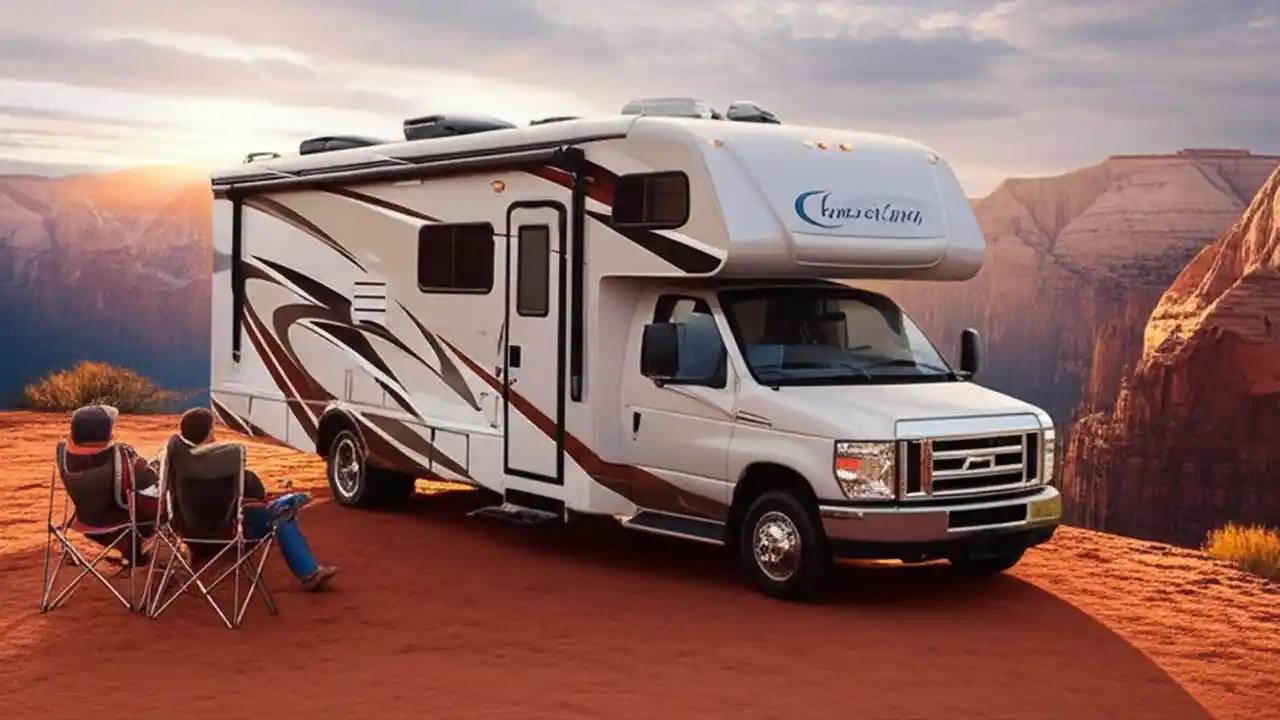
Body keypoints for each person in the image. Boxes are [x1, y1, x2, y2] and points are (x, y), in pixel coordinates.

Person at [157, 407, 339, 592]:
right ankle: (309, 572)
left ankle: (289, 502)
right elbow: (255, 500)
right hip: (225, 533)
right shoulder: (223, 469)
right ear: (208, 434)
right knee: (281, 515)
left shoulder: (178, 461)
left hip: (187, 532)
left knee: (272, 508)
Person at [61, 404, 160, 566]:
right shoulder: (119, 456)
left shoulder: (66, 455)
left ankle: (133, 555)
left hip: (85, 522)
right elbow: (147, 482)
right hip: (124, 524)